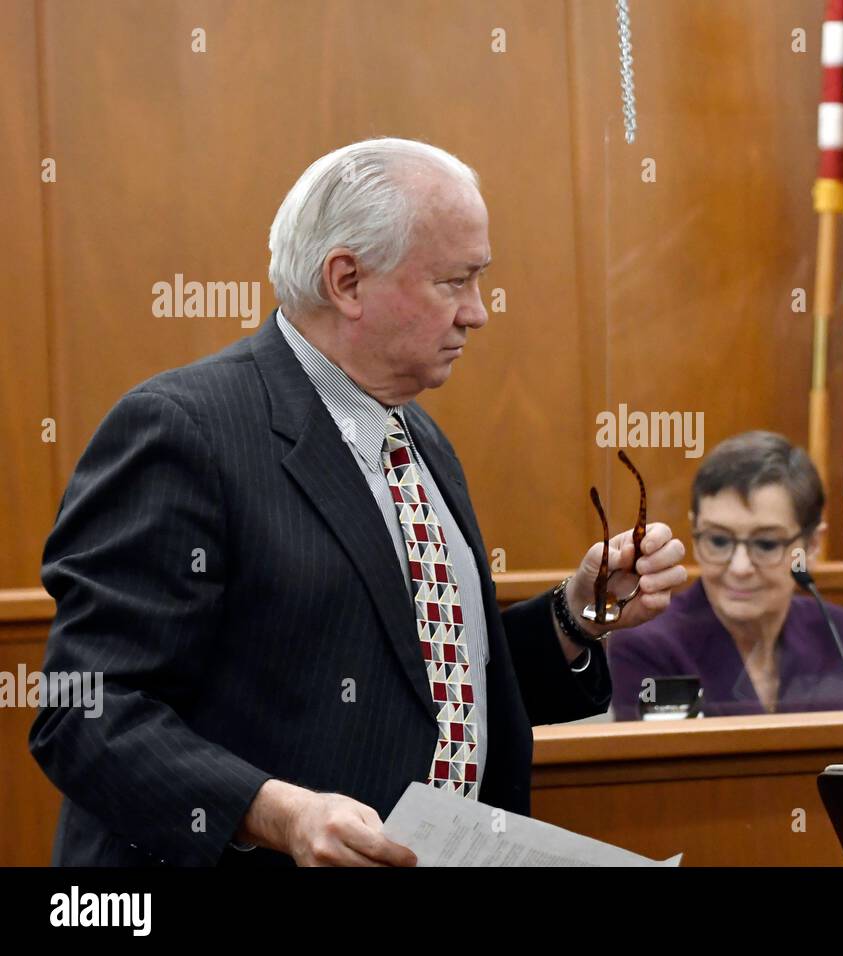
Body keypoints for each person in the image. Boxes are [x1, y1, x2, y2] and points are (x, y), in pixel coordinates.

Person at [29, 137, 687, 867]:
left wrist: (574, 615)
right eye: (455, 282)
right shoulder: (186, 430)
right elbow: (83, 710)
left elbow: (430, 690)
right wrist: (274, 812)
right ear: (346, 280)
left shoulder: (420, 438)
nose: (478, 313)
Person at [608, 431, 843, 719]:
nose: (740, 567)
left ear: (811, 546)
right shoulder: (648, 646)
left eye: (766, 544)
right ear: (695, 534)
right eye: (719, 541)